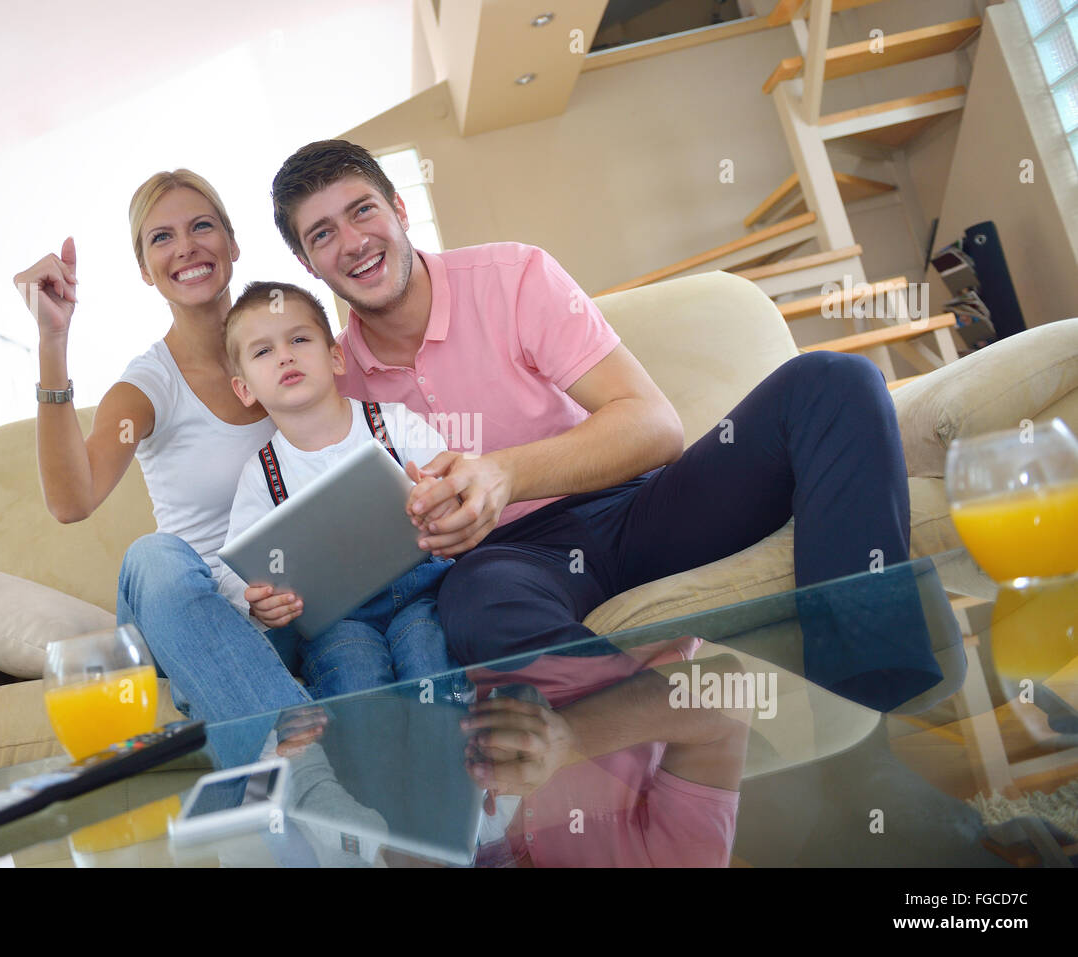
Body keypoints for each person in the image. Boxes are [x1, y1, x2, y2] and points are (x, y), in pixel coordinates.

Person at [268, 138, 943, 713]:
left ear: (401, 210)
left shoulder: (513, 276)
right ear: (306, 264)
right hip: (508, 563)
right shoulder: (329, 375)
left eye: (363, 210)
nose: (352, 242)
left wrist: (506, 471)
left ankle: (871, 705)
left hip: (639, 506)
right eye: (322, 234)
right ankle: (668, 725)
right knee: (473, 608)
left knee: (834, 380)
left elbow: (653, 425)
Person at [12, 170, 326, 770]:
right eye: (161, 237)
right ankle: (305, 754)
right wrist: (53, 341)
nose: (186, 248)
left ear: (234, 244)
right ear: (143, 267)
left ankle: (280, 787)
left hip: (290, 611)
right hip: (194, 622)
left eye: (202, 226)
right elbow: (71, 501)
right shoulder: (148, 386)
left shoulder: (289, 348)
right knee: (152, 555)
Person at [217, 280, 458, 698]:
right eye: (263, 351)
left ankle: (450, 757)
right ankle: (375, 762)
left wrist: (437, 500)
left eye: (299, 339)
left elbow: (451, 485)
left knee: (427, 651)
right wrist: (258, 601)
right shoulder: (261, 473)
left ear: (335, 357)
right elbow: (235, 573)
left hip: (424, 595)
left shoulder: (393, 423)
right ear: (245, 389)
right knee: (350, 671)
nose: (285, 356)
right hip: (337, 621)